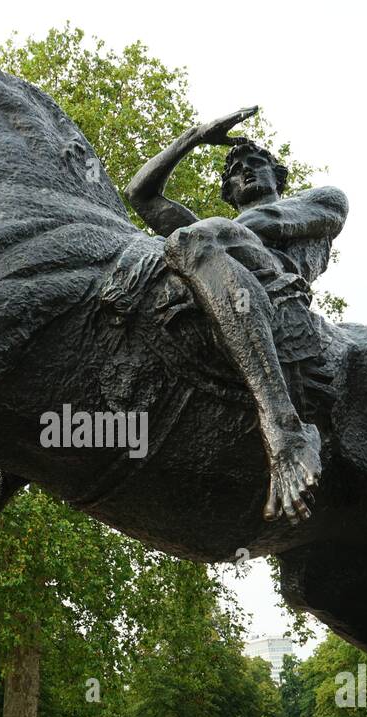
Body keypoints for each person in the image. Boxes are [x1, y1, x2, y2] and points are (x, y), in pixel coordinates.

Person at [125, 111, 348, 525]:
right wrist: (193, 137)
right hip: (222, 263)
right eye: (234, 172)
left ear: (278, 175)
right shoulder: (212, 237)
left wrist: (199, 231)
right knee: (183, 246)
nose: (244, 171)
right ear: (228, 190)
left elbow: (267, 220)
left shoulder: (323, 201)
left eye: (255, 164)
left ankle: (285, 429)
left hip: (276, 279)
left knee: (191, 238)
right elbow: (139, 195)